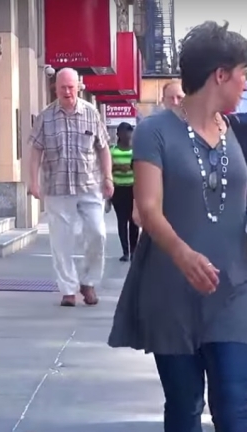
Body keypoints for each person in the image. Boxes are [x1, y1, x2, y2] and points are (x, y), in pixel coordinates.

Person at [108, 21, 247, 432]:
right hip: (171, 288)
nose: (245, 84)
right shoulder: (154, 131)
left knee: (235, 407)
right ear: (220, 74)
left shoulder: (239, 132)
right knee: (185, 406)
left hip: (233, 289)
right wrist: (184, 255)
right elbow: (148, 208)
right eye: (242, 74)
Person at [27, 67, 113, 307]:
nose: (67, 92)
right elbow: (35, 150)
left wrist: (108, 177)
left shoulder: (91, 113)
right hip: (58, 187)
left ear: (79, 88)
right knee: (61, 242)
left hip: (90, 185)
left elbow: (103, 148)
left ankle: (88, 281)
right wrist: (33, 181)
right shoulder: (45, 117)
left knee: (98, 234)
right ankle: (68, 290)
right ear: (55, 88)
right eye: (63, 87)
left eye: (71, 87)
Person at [109, 122, 139, 262]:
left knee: (133, 221)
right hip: (118, 190)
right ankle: (125, 251)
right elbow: (107, 168)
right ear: (119, 134)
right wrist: (118, 168)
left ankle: (133, 251)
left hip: (133, 190)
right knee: (122, 221)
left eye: (129, 133)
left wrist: (131, 167)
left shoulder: (136, 151)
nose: (128, 136)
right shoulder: (112, 151)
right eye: (125, 133)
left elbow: (141, 169)